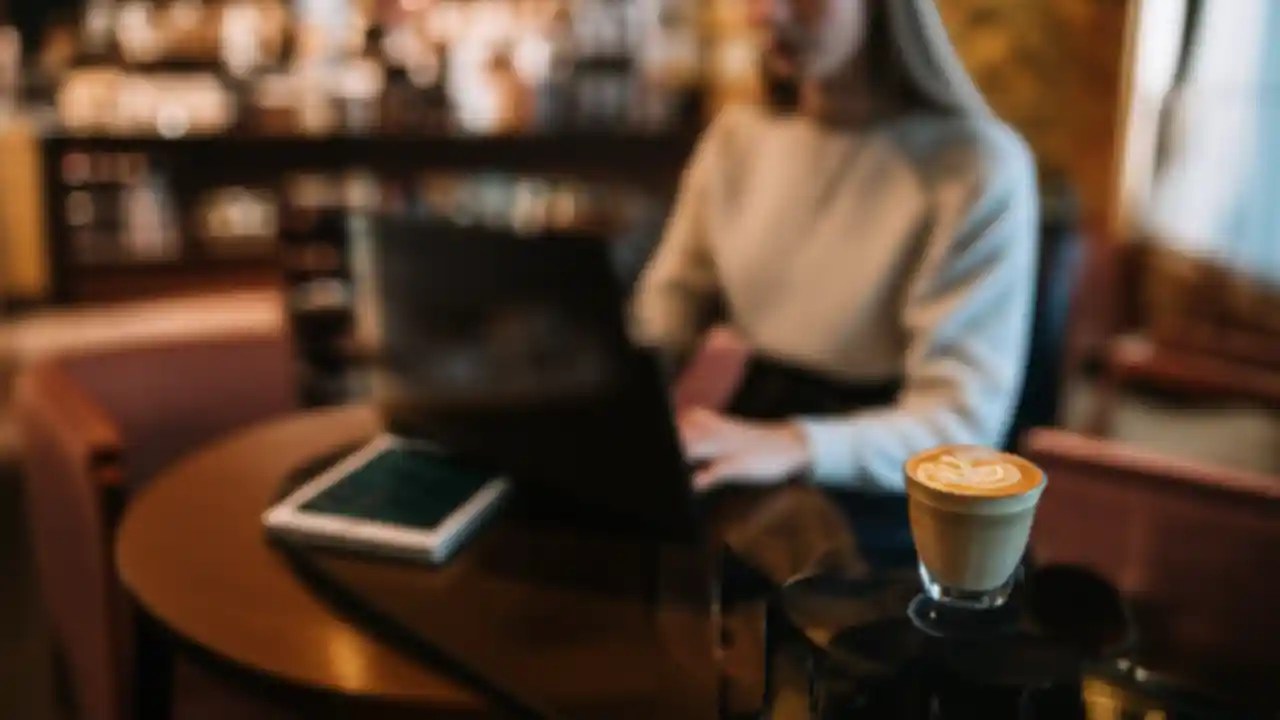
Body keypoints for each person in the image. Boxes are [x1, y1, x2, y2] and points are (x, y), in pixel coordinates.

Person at [633, 0, 1038, 495]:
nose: (764, 15)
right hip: (743, 455)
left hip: (881, 487)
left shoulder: (977, 168)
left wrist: (796, 444)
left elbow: (959, 429)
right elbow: (662, 316)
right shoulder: (736, 139)